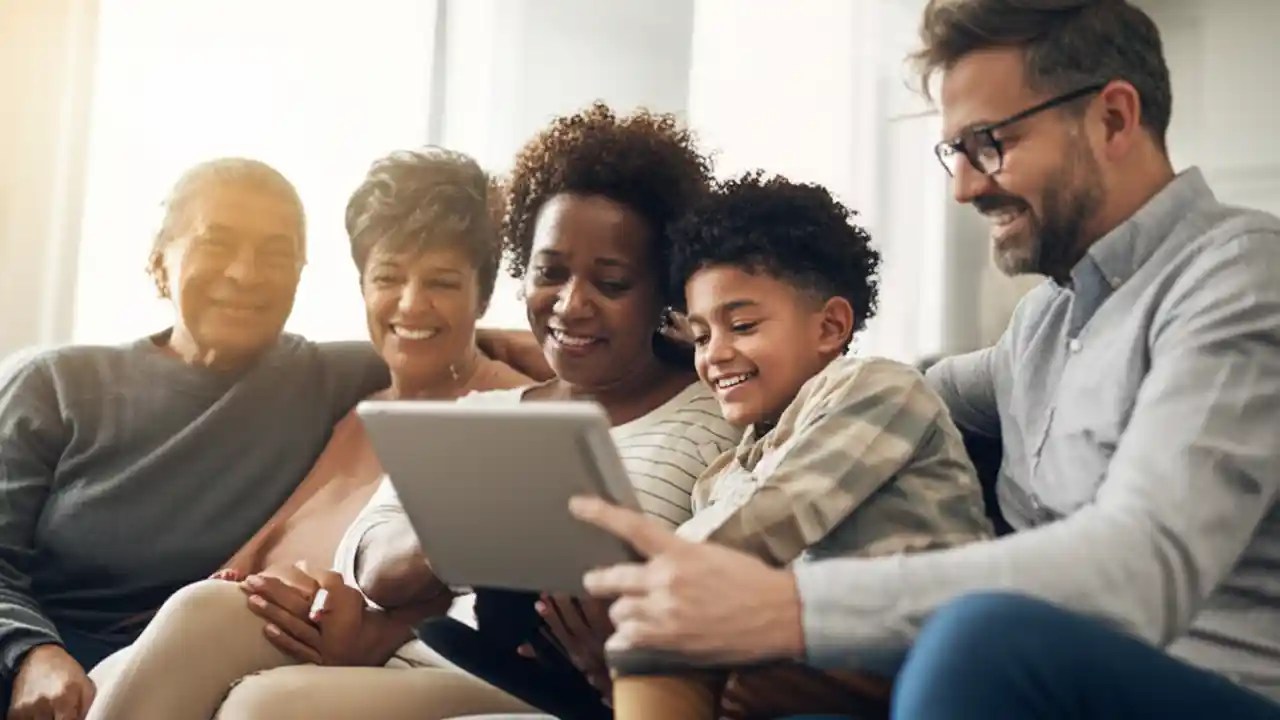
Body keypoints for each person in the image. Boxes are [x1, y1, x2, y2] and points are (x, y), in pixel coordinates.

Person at [570, 0, 1280, 717]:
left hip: (1205, 688)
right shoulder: (1042, 326)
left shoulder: (1241, 278)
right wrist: (638, 366)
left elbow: (1142, 566)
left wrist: (792, 606)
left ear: (1114, 119)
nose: (964, 187)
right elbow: (887, 389)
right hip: (1026, 686)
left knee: (976, 635)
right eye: (955, 152)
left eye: (990, 143)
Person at [81, 147, 535, 720]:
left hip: (355, 649)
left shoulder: (513, 412)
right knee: (112, 671)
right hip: (266, 622)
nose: (411, 304)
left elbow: (490, 594)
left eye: (442, 283)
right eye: (388, 278)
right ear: (363, 286)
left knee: (203, 631)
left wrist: (381, 628)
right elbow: (284, 529)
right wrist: (236, 573)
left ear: (484, 295)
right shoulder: (360, 405)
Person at [330, 103, 742, 720]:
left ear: (665, 290)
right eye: (550, 273)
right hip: (437, 656)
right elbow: (368, 567)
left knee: (264, 705)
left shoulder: (720, 417)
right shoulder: (481, 413)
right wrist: (465, 523)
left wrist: (641, 662)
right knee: (211, 622)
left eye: (611, 283)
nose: (571, 305)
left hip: (561, 694)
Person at [0, 158, 389, 720]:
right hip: (39, 655)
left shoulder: (325, 377)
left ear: (301, 275)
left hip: (191, 669)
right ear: (159, 264)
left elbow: (451, 339)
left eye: (276, 254)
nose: (245, 272)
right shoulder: (56, 382)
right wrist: (32, 653)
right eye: (217, 243)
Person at [604, 172, 993, 720]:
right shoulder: (722, 474)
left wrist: (631, 578)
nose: (714, 354)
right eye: (700, 335)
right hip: (811, 644)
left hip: (923, 644)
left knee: (661, 636)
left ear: (830, 326)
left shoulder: (877, 388)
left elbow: (776, 517)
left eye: (741, 324)